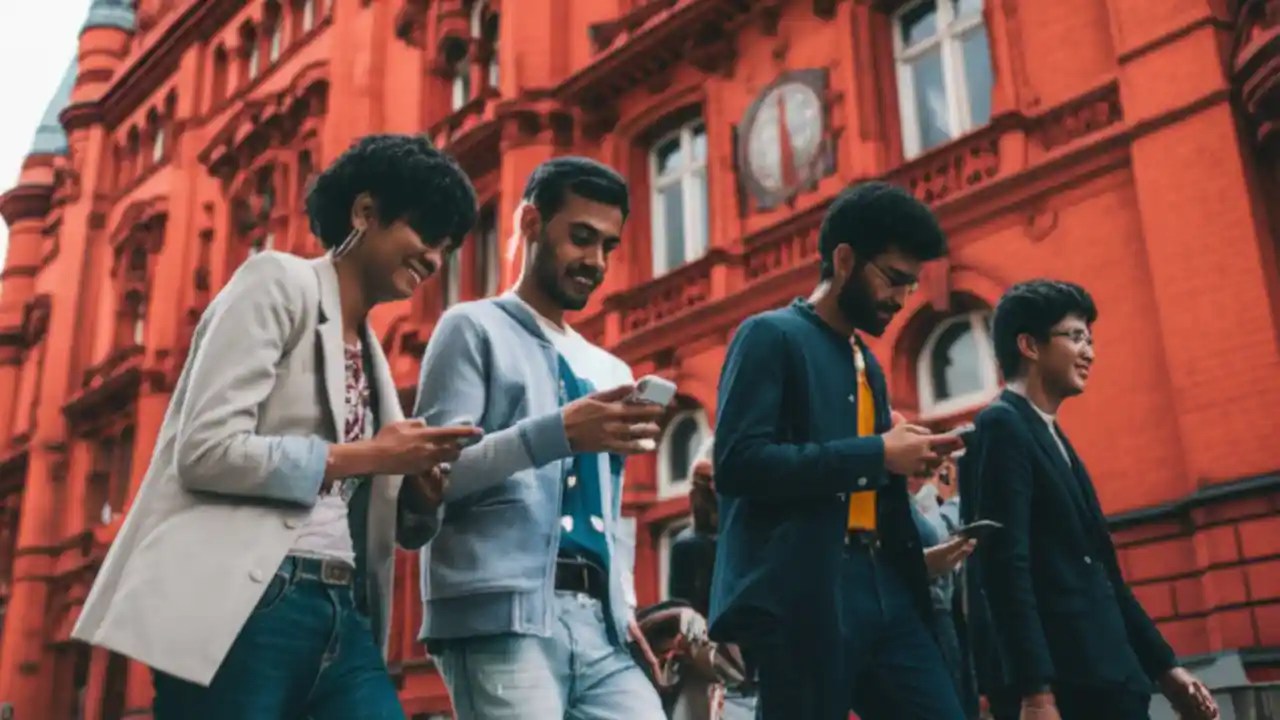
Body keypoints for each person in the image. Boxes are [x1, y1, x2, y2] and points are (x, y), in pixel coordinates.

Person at [72, 134, 482, 719]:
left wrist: (419, 491)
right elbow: (207, 450)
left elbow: (382, 514)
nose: (435, 259)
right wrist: (367, 456)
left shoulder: (374, 356)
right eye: (425, 234)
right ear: (366, 213)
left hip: (344, 610)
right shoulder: (276, 281)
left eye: (446, 247)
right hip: (245, 605)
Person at [414, 156, 669, 719]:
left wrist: (624, 609)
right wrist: (557, 433)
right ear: (530, 223)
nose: (596, 262)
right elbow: (430, 477)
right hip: (500, 621)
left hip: (599, 627)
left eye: (608, 246)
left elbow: (611, 507)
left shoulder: (611, 370)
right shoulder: (470, 327)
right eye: (581, 238)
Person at [711, 181, 976, 720]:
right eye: (894, 280)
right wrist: (877, 455)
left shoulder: (867, 363)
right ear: (845, 258)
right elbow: (738, 464)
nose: (903, 300)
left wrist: (907, 462)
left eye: (911, 284)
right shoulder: (768, 335)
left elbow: (871, 473)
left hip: (887, 584)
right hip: (803, 593)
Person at [968, 279, 1218, 720]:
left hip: (1108, 676)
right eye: (1076, 337)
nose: (1090, 353)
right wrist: (1036, 693)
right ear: (1029, 344)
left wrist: (1165, 667)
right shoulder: (1002, 425)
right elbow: (1005, 565)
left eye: (1091, 339)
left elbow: (1103, 571)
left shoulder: (1052, 435)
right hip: (1066, 688)